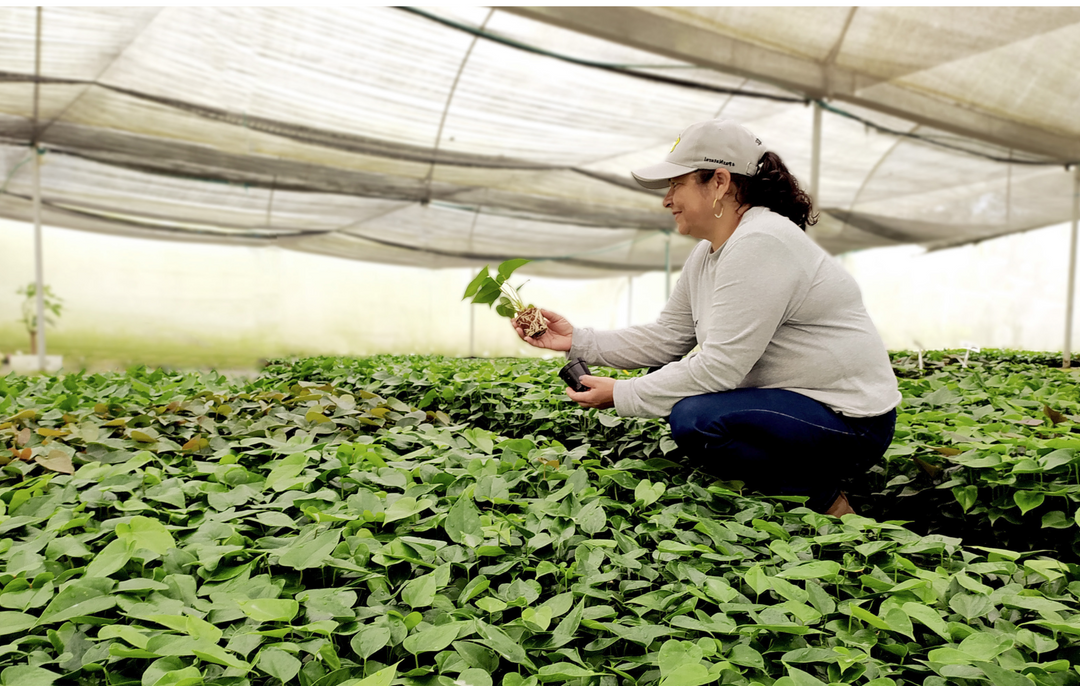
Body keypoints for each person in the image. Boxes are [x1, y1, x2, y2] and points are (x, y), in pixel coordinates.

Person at [512, 119, 901, 517]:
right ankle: (791, 484)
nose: (667, 199)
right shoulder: (710, 252)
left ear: (719, 182)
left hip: (850, 423)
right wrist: (577, 340)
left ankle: (827, 503)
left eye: (676, 184)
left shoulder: (762, 242)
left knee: (695, 419)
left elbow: (721, 367)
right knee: (678, 390)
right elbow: (668, 337)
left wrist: (622, 393)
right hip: (796, 406)